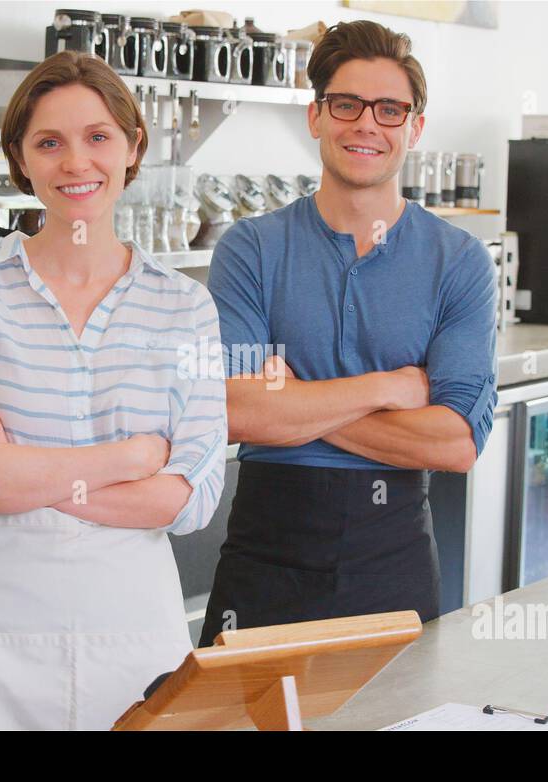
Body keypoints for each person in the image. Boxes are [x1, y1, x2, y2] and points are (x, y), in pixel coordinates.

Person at [0, 50, 226, 730]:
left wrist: (17, 467)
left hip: (133, 638)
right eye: (48, 143)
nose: (75, 163)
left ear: (133, 145)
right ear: (21, 158)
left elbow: (190, 496)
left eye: (97, 137)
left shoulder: (185, 308)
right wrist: (130, 458)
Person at [199, 20, 498, 646]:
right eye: (347, 104)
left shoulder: (460, 260)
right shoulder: (251, 248)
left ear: (414, 128)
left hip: (393, 559)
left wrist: (296, 400)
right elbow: (235, 411)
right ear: (316, 116)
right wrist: (389, 386)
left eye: (389, 110)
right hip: (265, 551)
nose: (367, 124)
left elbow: (455, 444)